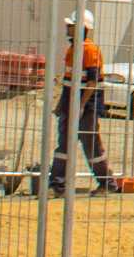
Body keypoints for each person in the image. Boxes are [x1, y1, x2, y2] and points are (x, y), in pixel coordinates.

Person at [50, 11, 120, 195]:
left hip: (86, 107)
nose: (67, 28)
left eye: (71, 25)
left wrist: (80, 105)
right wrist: (62, 105)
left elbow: (92, 81)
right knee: (64, 145)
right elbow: (68, 82)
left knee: (91, 145)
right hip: (71, 104)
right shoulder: (73, 49)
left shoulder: (90, 50)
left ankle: (107, 184)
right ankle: (57, 185)